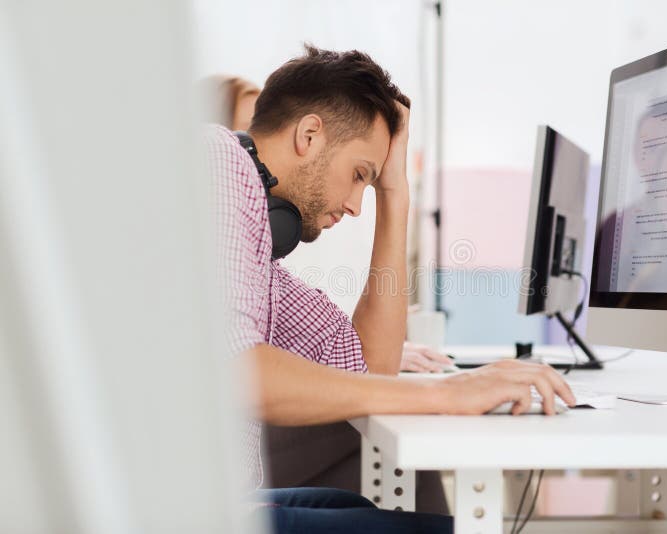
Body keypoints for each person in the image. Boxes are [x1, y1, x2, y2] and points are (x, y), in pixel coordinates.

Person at [205, 44, 575, 533]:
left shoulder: (258, 246)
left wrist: (393, 192)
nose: (357, 204)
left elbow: (370, 364)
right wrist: (448, 395)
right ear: (310, 134)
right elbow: (238, 374)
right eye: (360, 175)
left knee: (380, 515)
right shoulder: (219, 162)